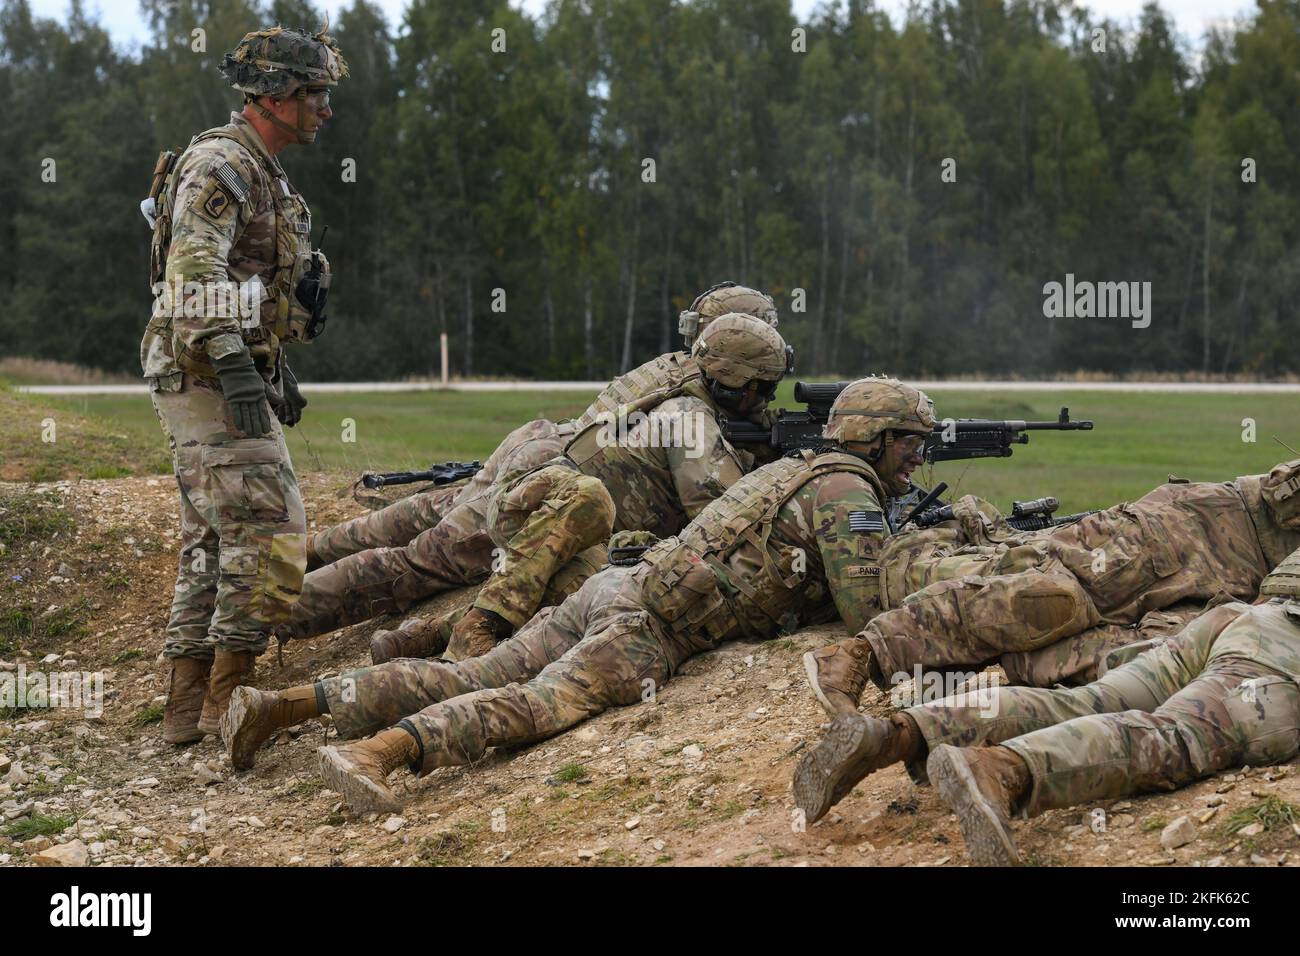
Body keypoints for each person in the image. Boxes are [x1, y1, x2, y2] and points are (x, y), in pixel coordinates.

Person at [220, 377, 938, 810]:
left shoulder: (800, 470)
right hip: (649, 630)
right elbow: (867, 610)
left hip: (618, 584)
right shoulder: (848, 492)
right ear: (876, 437)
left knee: (472, 673)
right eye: (911, 443)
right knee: (534, 705)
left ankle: (284, 705)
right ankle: (377, 754)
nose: (918, 458)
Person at [273, 310, 790, 663]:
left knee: (415, 533)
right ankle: (263, 616)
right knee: (415, 565)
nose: (767, 399)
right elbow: (722, 513)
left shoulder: (673, 380)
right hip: (546, 504)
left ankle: (290, 565)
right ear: (738, 381)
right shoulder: (691, 419)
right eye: (764, 388)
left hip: (544, 477)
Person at [794, 547, 1300, 865]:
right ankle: (1002, 770)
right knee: (1178, 734)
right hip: (1286, 645)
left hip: (1255, 614)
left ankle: (895, 734)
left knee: (1089, 700)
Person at [145, 25, 346, 744]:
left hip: (219, 367)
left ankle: (187, 712)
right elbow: (193, 279)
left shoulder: (258, 169)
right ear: (276, 95)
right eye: (315, 93)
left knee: (212, 537)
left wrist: (270, 369)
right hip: (204, 372)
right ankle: (231, 701)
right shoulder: (224, 167)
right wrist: (237, 374)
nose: (325, 109)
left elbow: (247, 285)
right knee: (276, 537)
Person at [804, 458, 1300, 714]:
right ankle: (865, 653)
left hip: (1250, 592)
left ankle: (959, 694)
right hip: (1205, 531)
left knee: (1143, 658)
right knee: (1048, 601)